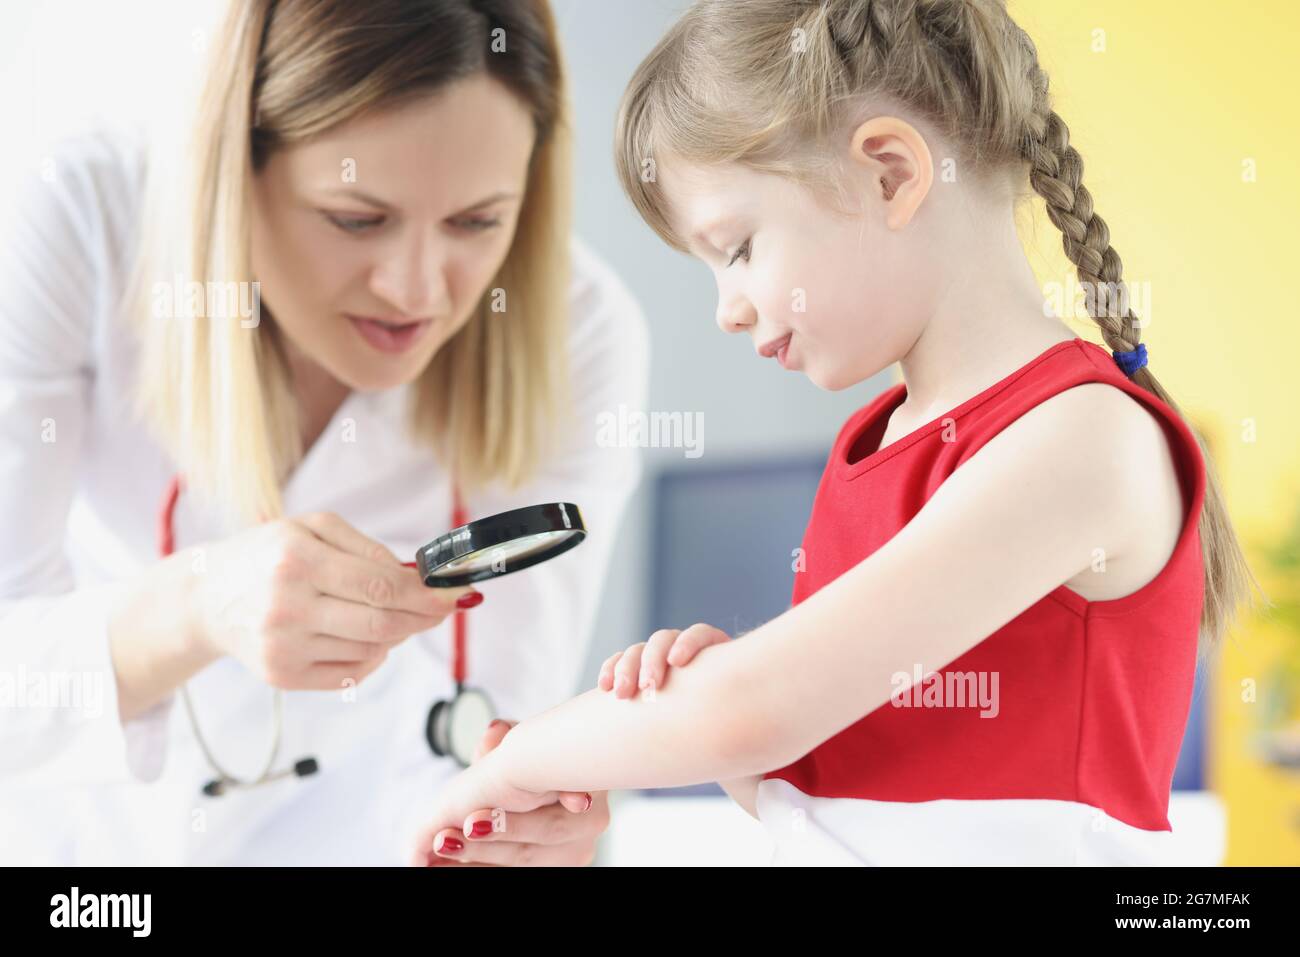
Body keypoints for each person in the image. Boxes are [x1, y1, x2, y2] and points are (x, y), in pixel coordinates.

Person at [410, 0, 1261, 866]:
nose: (726, 311)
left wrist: (528, 757)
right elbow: (829, 792)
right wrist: (733, 744)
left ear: (890, 173)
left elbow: (760, 706)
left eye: (736, 247)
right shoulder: (872, 447)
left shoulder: (1085, 438)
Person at [0, 0, 647, 866]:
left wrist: (526, 823)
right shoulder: (82, 221)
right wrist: (192, 607)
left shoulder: (581, 332)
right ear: (238, 161)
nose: (416, 289)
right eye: (356, 218)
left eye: (477, 221)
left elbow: (491, 718)